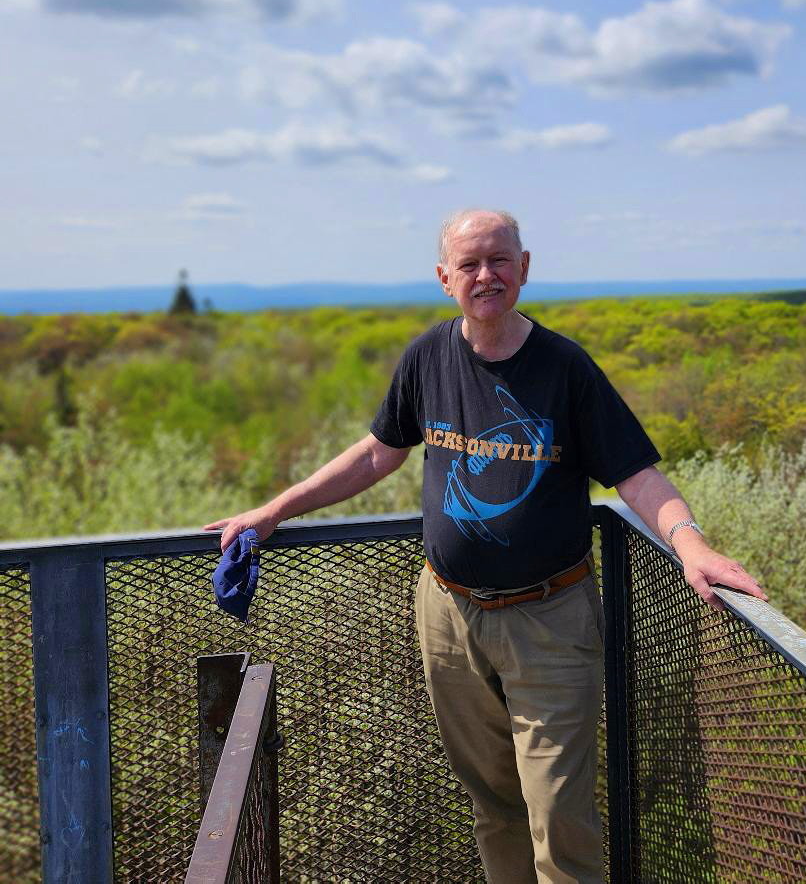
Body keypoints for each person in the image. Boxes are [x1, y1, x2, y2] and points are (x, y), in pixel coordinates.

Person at [206, 208, 767, 884]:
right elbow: (378, 455)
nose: (486, 275)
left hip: (549, 620)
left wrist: (690, 545)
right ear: (445, 278)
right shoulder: (429, 357)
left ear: (525, 268)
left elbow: (636, 475)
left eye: (499, 260)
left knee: (558, 813)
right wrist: (273, 511)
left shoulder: (565, 368)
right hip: (447, 613)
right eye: (469, 264)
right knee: (494, 805)